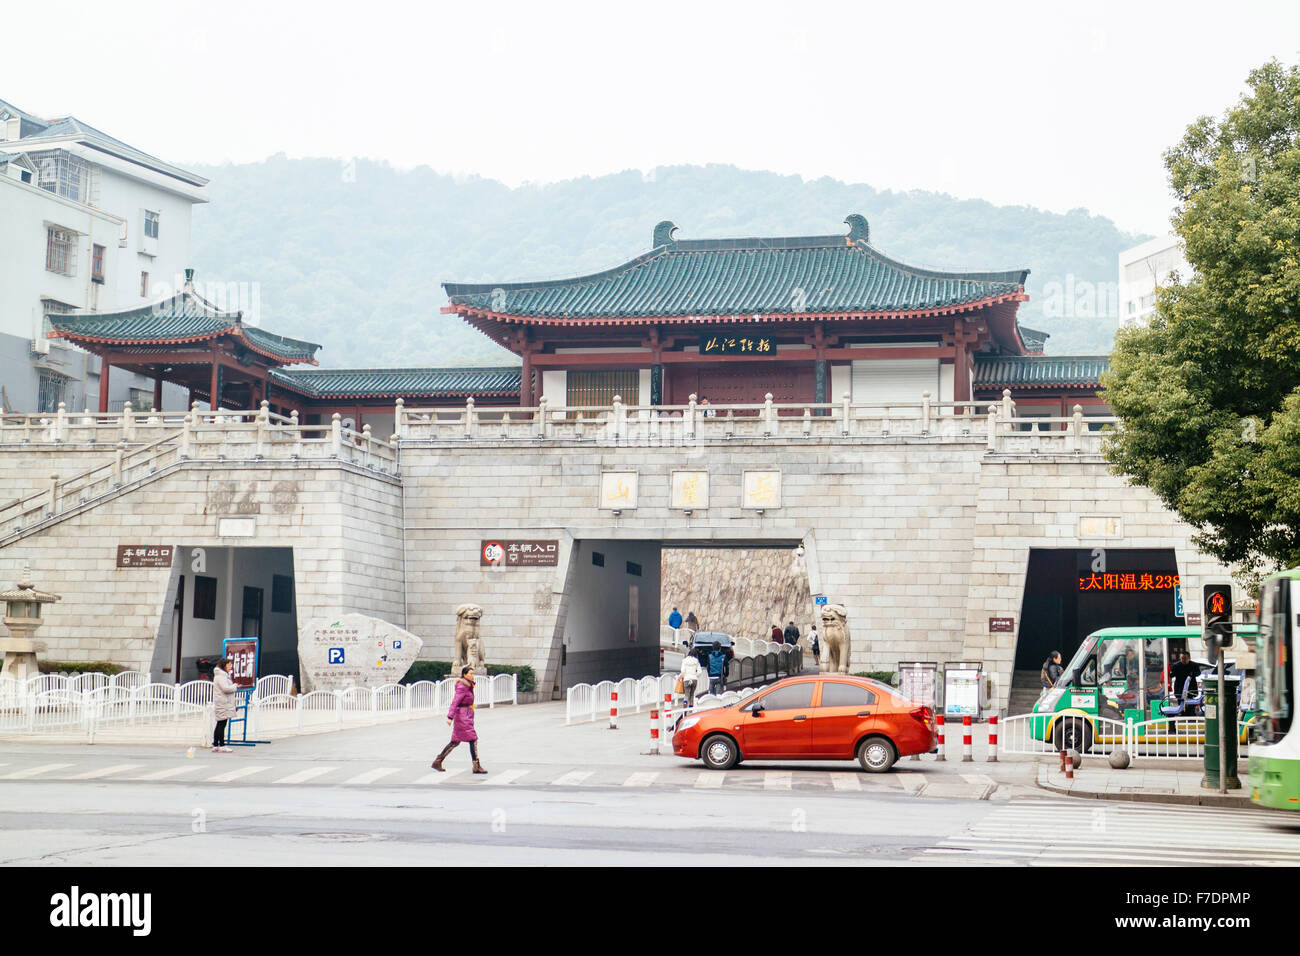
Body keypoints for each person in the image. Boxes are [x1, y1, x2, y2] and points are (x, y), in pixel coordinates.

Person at [431, 665, 487, 774]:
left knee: (455, 741)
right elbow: (455, 702)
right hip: (462, 717)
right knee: (472, 739)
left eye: (473, 673)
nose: (472, 675)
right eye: (470, 673)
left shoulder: (468, 685)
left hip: (465, 715)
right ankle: (476, 766)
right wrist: (449, 717)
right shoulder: (463, 686)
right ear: (465, 675)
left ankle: (438, 761)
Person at [211, 657, 237, 753]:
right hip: (223, 703)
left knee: (220, 723)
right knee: (222, 724)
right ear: (224, 665)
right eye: (229, 665)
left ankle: (215, 745)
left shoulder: (221, 675)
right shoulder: (221, 676)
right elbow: (225, 688)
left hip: (222, 702)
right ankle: (221, 745)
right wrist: (235, 686)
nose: (231, 667)